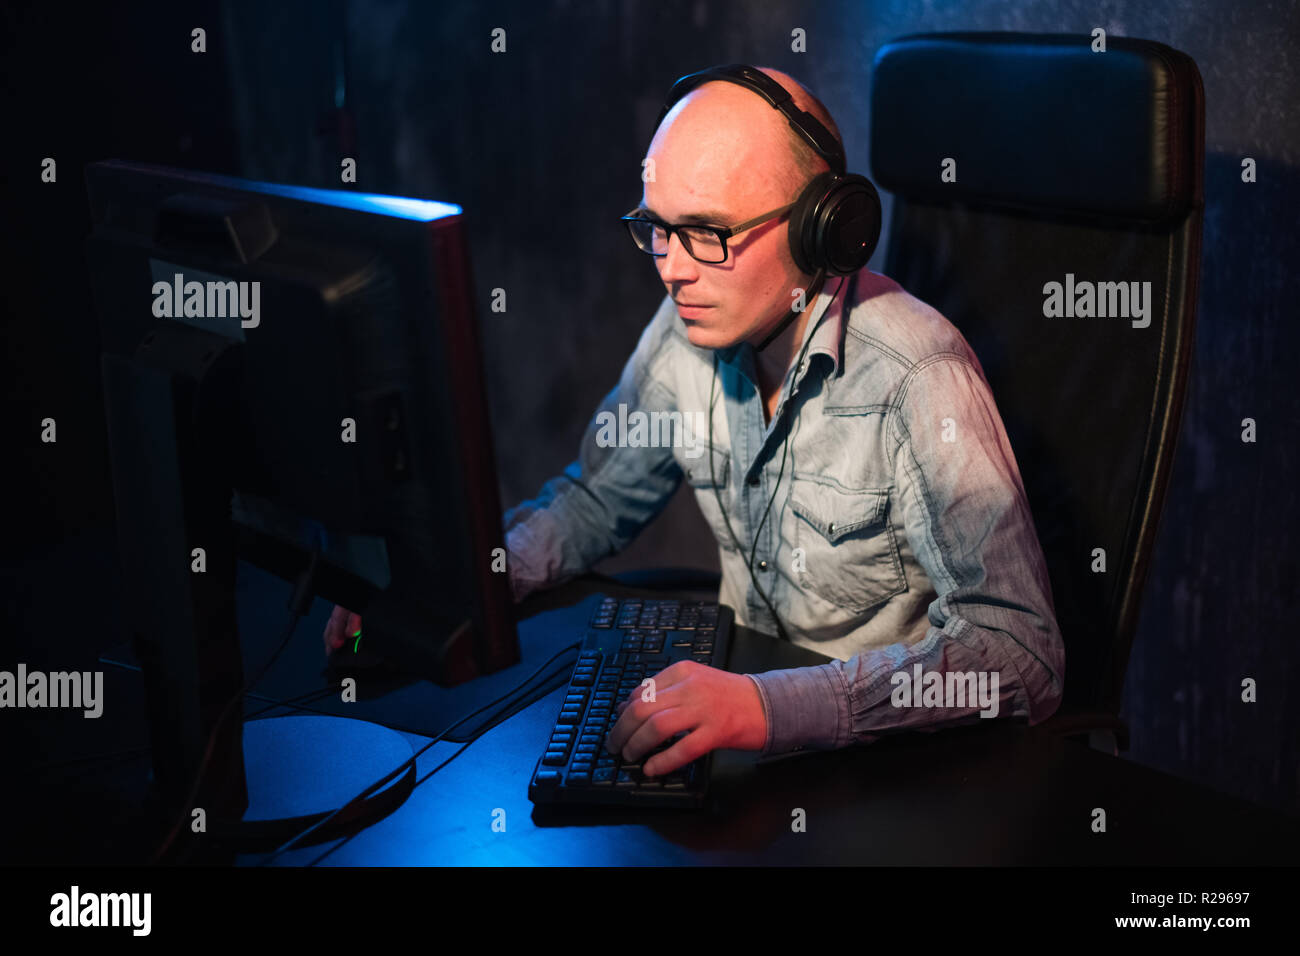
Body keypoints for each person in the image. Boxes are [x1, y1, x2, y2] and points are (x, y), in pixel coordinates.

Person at [326, 65, 1065, 779]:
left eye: (707, 233)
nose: (673, 268)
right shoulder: (689, 325)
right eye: (658, 229)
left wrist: (772, 707)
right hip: (747, 726)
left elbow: (1020, 655)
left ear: (823, 230)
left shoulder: (919, 376)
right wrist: (463, 588)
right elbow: (595, 501)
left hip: (894, 768)